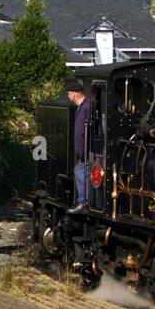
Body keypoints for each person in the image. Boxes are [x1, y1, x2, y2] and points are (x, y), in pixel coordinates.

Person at [66, 77, 91, 213]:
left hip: (88, 149)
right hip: (84, 148)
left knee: (81, 171)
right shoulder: (83, 106)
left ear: (73, 94)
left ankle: (84, 201)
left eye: (69, 94)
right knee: (81, 170)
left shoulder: (87, 106)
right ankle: (84, 199)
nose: (68, 97)